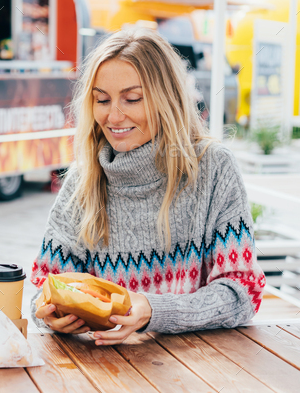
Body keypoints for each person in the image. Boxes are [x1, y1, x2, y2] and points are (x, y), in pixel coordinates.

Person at [31, 28, 265, 344]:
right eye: (102, 99)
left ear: (165, 98)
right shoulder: (81, 180)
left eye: (132, 99)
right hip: (102, 371)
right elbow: (46, 287)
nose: (113, 116)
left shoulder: (213, 167)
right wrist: (49, 315)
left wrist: (155, 311)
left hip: (200, 371)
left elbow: (242, 292)